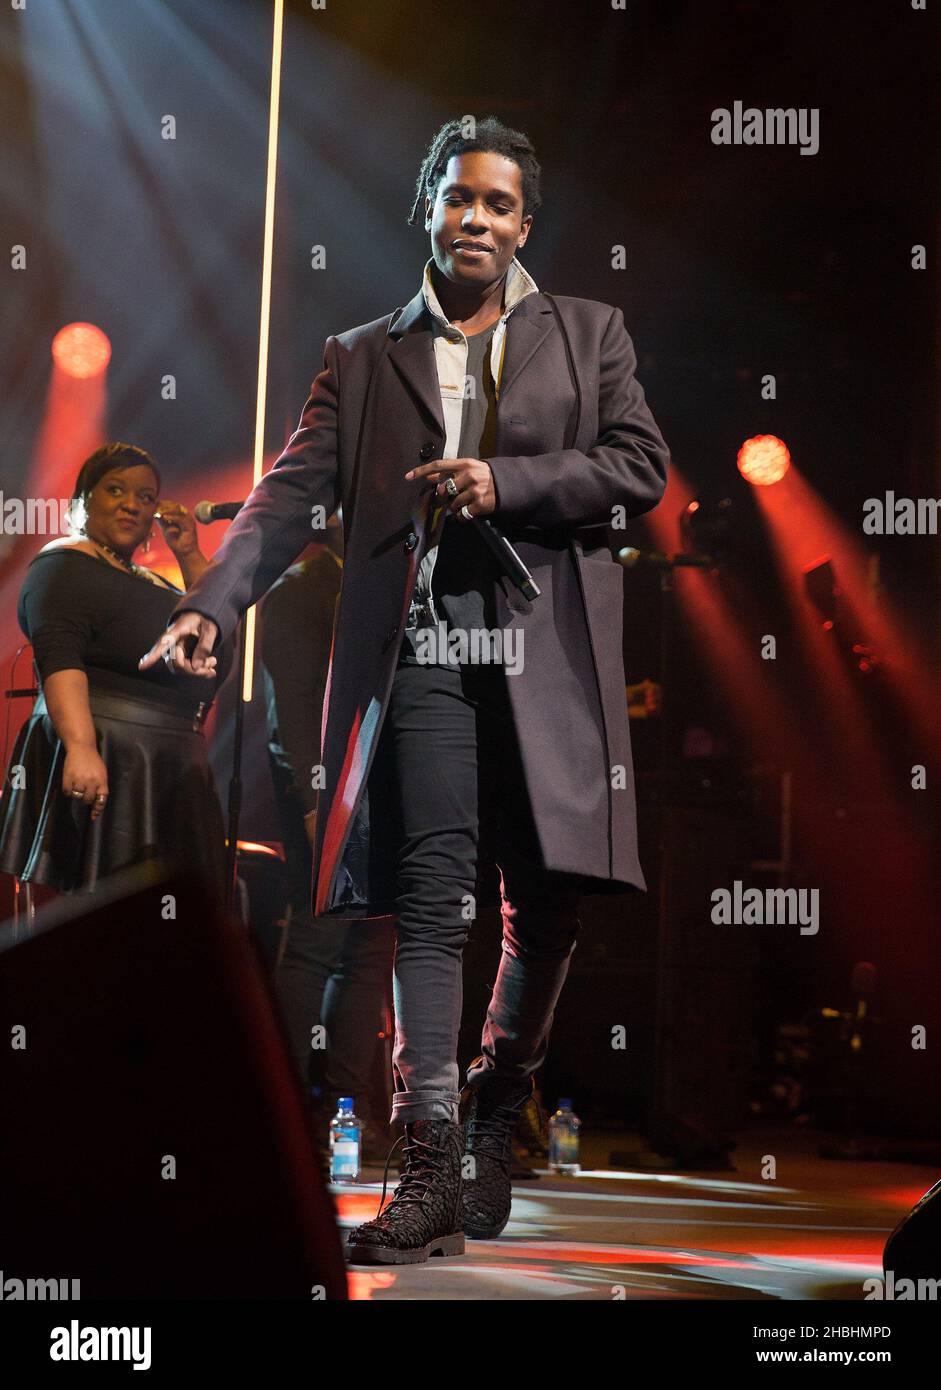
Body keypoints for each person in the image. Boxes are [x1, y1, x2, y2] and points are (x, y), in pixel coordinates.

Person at [140, 116, 669, 1264]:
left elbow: (637, 468)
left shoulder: (587, 334)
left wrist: (505, 479)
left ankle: (495, 1093)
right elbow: (283, 501)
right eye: (457, 197)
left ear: (525, 225)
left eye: (498, 205)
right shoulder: (360, 354)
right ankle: (425, 1157)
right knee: (426, 901)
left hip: (543, 656)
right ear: (426, 204)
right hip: (421, 651)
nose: (474, 219)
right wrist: (205, 605)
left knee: (545, 903)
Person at [0, 442, 231, 899]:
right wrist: (82, 748)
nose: (132, 504)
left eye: (146, 497)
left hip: (171, 761)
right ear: (83, 500)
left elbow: (217, 639)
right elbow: (59, 657)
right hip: (111, 748)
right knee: (95, 920)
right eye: (115, 490)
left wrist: (188, 554)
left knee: (170, 925)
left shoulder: (159, 582)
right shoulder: (64, 563)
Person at [258, 524, 395, 1161]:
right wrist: (315, 805)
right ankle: (293, 1112)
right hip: (328, 789)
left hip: (388, 787)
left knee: (369, 947)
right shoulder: (302, 589)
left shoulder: (395, 581)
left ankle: (352, 1108)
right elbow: (293, 705)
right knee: (318, 942)